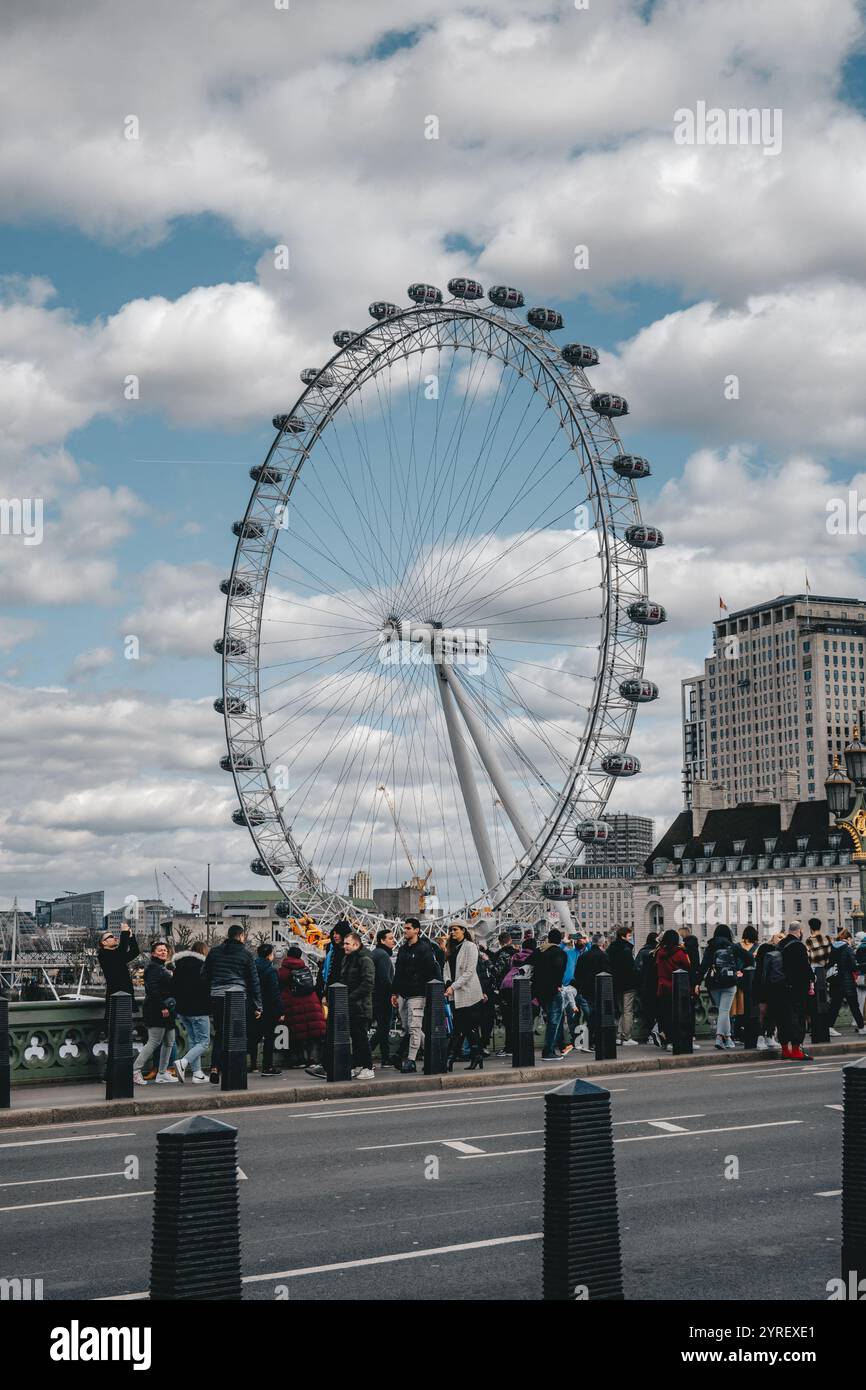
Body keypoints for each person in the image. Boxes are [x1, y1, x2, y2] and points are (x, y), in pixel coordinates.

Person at [202, 924, 262, 1084]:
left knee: (220, 1033)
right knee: (236, 1034)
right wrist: (258, 1005)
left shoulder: (214, 952)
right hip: (237, 998)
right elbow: (254, 981)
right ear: (241, 936)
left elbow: (204, 974)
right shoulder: (246, 954)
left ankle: (215, 1067)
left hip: (217, 996)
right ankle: (232, 1068)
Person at [391, 917, 441, 1073]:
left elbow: (431, 971)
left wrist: (429, 993)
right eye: (404, 928)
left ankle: (411, 1060)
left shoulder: (424, 949)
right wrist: (394, 992)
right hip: (403, 994)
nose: (405, 931)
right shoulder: (403, 949)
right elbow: (397, 972)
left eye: (408, 928)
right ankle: (435, 1052)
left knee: (414, 1026)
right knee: (409, 1027)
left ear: (417, 930)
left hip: (418, 994)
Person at [697, 923, 749, 1051]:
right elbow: (749, 959)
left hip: (713, 982)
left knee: (722, 1011)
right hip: (730, 981)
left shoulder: (711, 947)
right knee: (724, 1011)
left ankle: (728, 1038)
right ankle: (720, 1037)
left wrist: (697, 983)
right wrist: (739, 970)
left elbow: (703, 966)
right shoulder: (734, 946)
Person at [133, 942, 179, 1086]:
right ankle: (134, 1070)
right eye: (160, 950)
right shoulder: (153, 968)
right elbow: (152, 990)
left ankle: (162, 1073)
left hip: (167, 1009)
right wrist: (162, 1007)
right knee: (154, 1041)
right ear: (153, 953)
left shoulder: (162, 967)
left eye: (165, 950)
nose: (163, 952)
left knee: (169, 1041)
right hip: (157, 1009)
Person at [444, 922, 485, 1070]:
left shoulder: (470, 946)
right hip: (456, 994)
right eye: (450, 930)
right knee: (465, 1028)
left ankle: (450, 1060)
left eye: (455, 929)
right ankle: (476, 1056)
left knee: (464, 1028)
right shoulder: (450, 947)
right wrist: (448, 982)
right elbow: (446, 968)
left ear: (463, 930)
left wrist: (452, 986)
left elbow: (469, 972)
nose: (452, 932)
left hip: (469, 993)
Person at [278, 946, 326, 1069]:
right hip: (311, 1002)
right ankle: (312, 1059)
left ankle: (300, 1059)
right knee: (311, 1033)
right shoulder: (305, 968)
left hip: (293, 1003)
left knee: (297, 1033)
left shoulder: (283, 970)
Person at [172, 941, 211, 1082]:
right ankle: (183, 1062)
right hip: (199, 1009)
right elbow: (207, 988)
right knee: (204, 1042)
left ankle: (197, 1074)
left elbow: (174, 987)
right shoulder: (203, 967)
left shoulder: (179, 965)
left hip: (183, 1010)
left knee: (194, 1041)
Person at [341, 929, 376, 1079]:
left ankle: (368, 1067)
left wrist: (350, 997)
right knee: (355, 1038)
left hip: (361, 1006)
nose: (344, 946)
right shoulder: (347, 959)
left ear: (356, 944)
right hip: (351, 1005)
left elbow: (368, 983)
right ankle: (357, 1065)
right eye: (344, 944)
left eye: (347, 944)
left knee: (361, 1038)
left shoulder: (365, 959)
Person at [777, 920, 813, 1060]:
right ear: (800, 930)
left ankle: (785, 1050)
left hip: (780, 988)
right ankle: (796, 1050)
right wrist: (812, 977)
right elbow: (804, 967)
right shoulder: (798, 946)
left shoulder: (780, 944)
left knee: (783, 1019)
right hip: (796, 988)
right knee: (798, 1018)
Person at [531, 928, 568, 1059]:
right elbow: (559, 971)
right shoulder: (560, 953)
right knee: (554, 1021)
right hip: (553, 990)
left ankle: (552, 1048)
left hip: (538, 991)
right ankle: (548, 1050)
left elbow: (528, 965)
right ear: (560, 940)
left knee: (550, 1019)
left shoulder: (539, 951)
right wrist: (558, 986)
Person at [654, 929, 692, 1048]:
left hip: (662, 987)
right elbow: (688, 966)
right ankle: (677, 1039)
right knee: (678, 1015)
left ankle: (667, 1038)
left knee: (666, 1015)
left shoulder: (659, 952)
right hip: (677, 988)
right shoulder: (680, 953)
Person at [97, 921, 140, 1020]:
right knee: (115, 1023)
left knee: (124, 1023)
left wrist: (130, 936)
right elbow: (121, 951)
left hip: (126, 993)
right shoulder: (103, 955)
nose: (115, 938)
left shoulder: (117, 954)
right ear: (104, 942)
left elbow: (135, 951)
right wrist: (124, 932)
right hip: (116, 994)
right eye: (111, 937)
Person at [573, 932, 609, 1049]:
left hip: (586, 990)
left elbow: (577, 974)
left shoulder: (583, 956)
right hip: (600, 990)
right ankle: (593, 1041)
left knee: (590, 1015)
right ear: (602, 943)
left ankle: (588, 1040)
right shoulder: (604, 956)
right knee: (596, 1016)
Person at [251, 943, 282, 1075]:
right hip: (269, 1008)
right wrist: (280, 1010)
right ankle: (267, 1066)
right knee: (269, 1038)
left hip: (254, 1006)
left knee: (254, 1037)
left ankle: (252, 1065)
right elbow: (275, 993)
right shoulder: (271, 970)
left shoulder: (252, 967)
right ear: (269, 955)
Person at [828, 927, 866, 1034]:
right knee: (854, 1005)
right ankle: (861, 1027)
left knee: (834, 1005)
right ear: (848, 938)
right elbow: (853, 966)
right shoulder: (847, 949)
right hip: (847, 981)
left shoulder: (833, 948)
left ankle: (829, 1027)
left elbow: (830, 963)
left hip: (835, 980)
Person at [606, 925, 638, 1045]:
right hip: (628, 984)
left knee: (620, 1011)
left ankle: (618, 1036)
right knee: (627, 1011)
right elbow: (631, 968)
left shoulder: (611, 948)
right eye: (629, 936)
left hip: (615, 984)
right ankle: (626, 1037)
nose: (631, 938)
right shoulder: (626, 949)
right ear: (623, 936)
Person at [490, 931, 517, 1056]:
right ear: (510, 940)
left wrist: (487, 961)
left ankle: (509, 1047)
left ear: (500, 942)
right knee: (514, 1018)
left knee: (507, 1019)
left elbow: (496, 971)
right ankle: (514, 1046)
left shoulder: (503, 954)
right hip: (517, 988)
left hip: (504, 989)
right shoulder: (517, 953)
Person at [371, 928, 395, 1066]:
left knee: (382, 1028)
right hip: (383, 997)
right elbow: (385, 979)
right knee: (384, 1028)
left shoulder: (375, 953)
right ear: (382, 940)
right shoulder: (383, 956)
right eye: (390, 938)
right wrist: (393, 992)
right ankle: (368, 1050)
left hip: (374, 996)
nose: (393, 941)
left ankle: (385, 1057)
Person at [634, 930, 659, 1043]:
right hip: (657, 985)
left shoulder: (642, 952)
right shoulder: (656, 952)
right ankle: (656, 1033)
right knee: (658, 1010)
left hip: (645, 986)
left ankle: (650, 1033)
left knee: (648, 1011)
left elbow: (637, 969)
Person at [316, 923, 348, 999]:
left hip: (340, 992)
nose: (334, 936)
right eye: (333, 933)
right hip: (328, 989)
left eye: (337, 933)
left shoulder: (348, 952)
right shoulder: (331, 949)